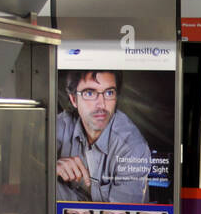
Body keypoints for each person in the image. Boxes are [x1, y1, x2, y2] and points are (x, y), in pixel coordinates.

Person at [56, 69, 151, 203]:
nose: (102, 104)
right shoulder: (61, 125)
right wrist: (48, 168)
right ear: (73, 100)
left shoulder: (132, 147)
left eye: (109, 92)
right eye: (89, 93)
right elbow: (25, 172)